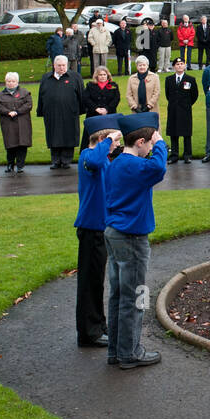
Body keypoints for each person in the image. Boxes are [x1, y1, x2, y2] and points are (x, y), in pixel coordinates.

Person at [104, 112, 168, 369]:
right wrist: (161, 141)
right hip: (131, 237)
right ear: (140, 142)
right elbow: (159, 167)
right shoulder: (135, 166)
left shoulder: (118, 163)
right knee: (135, 296)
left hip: (113, 232)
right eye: (149, 143)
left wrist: (156, 142)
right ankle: (130, 353)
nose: (152, 148)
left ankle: (116, 351)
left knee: (118, 294)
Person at [76, 114, 121, 350]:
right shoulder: (89, 156)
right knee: (89, 283)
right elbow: (93, 160)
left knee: (97, 282)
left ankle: (97, 325)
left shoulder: (104, 158)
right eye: (114, 139)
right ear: (103, 137)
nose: (117, 143)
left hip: (100, 227)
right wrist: (107, 142)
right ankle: (88, 333)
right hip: (90, 228)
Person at [39, 55, 84, 168]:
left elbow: (81, 95)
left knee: (69, 135)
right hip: (51, 113)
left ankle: (66, 160)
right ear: (54, 66)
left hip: (70, 112)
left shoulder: (75, 77)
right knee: (53, 135)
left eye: (64, 65)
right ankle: (55, 160)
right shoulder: (46, 78)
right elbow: (41, 96)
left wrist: (81, 110)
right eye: (59, 65)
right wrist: (41, 110)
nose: (62, 68)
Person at [0, 71, 33, 174]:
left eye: (13, 81)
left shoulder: (25, 93)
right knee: (10, 145)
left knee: (22, 144)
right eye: (8, 81)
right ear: (5, 82)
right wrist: (8, 112)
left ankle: (20, 165)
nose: (11, 83)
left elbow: (29, 105)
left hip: (22, 122)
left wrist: (17, 111)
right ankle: (10, 164)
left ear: (17, 82)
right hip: (8, 123)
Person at [165, 56, 199, 162]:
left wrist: (187, 104)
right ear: (174, 67)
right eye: (177, 64)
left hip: (185, 110)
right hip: (173, 110)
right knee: (173, 133)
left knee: (186, 133)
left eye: (181, 64)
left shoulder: (190, 79)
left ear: (184, 66)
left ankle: (187, 155)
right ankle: (174, 155)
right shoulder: (169, 79)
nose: (179, 66)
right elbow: (168, 95)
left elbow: (194, 95)